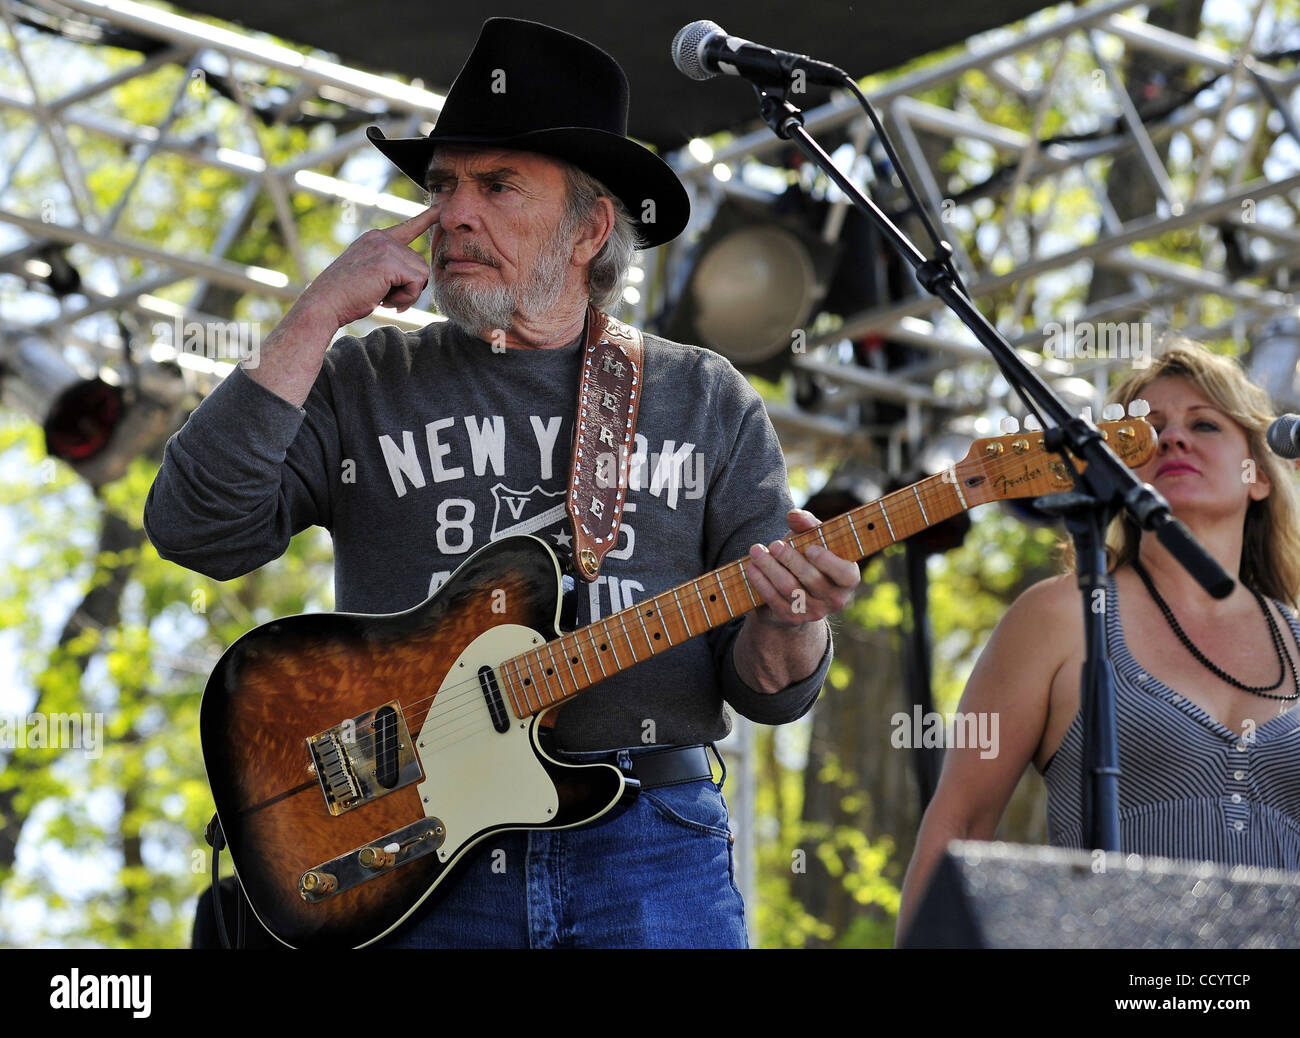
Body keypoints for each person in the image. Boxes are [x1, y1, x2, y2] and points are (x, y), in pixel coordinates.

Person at [143, 18, 859, 948]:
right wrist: (317, 312)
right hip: (414, 852)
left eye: (496, 185)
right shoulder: (366, 381)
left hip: (649, 847)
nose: (453, 214)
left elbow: (768, 689)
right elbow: (195, 527)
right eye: (442, 185)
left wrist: (792, 620)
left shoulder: (703, 397)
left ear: (589, 228)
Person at [897, 339, 1300, 940]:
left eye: (1205, 424)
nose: (1173, 439)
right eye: (1146, 430)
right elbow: (959, 821)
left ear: (1260, 479)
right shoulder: (1059, 615)